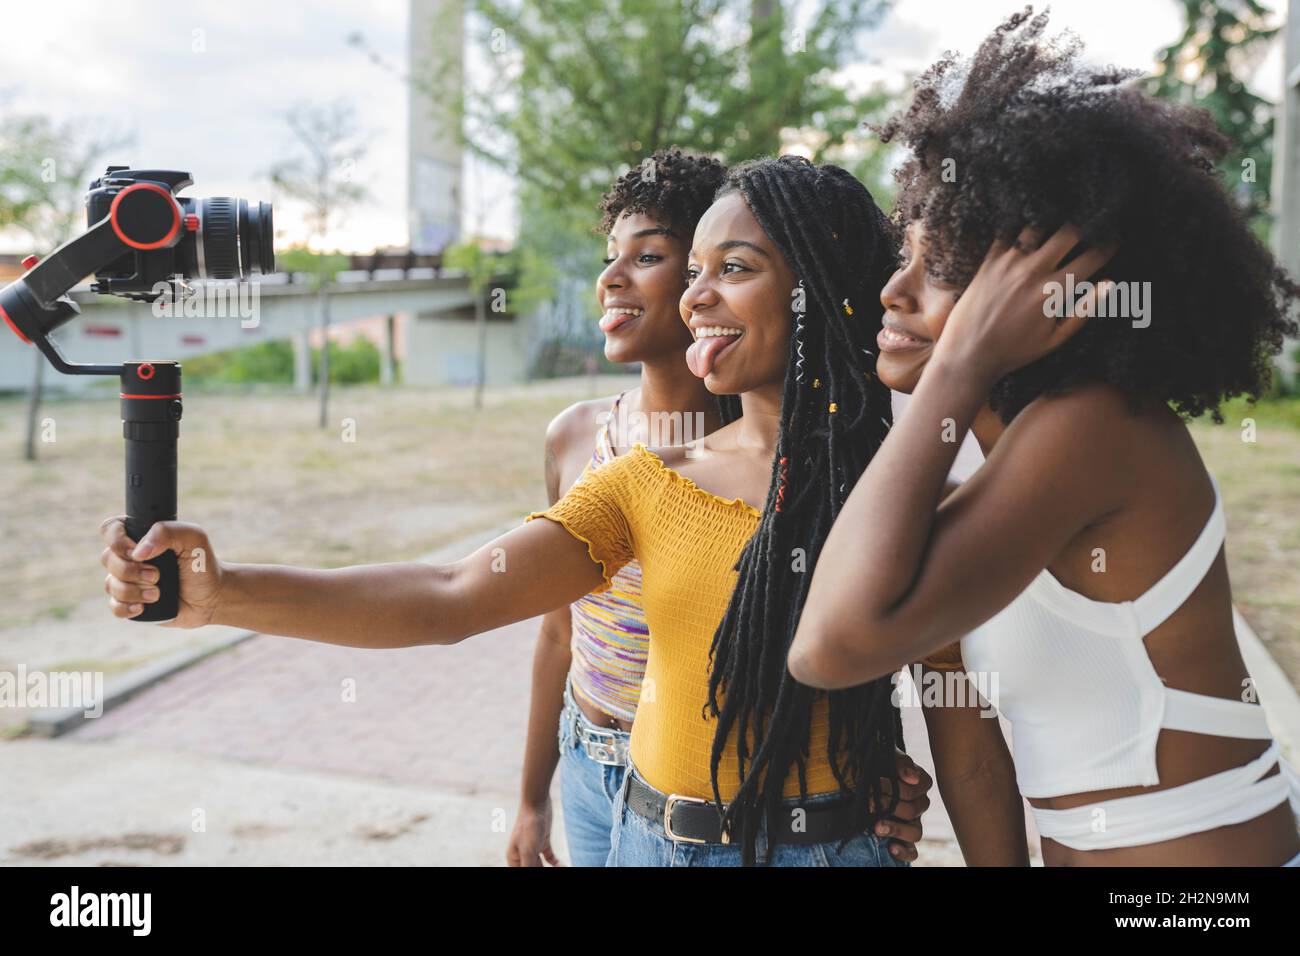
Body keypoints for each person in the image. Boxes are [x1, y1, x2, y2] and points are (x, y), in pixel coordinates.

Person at [99, 155, 944, 867]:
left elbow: (963, 721)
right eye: (693, 273)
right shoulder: (649, 482)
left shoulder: (901, 485)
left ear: (821, 287)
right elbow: (450, 593)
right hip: (650, 838)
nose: (694, 298)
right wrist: (221, 594)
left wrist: (883, 759)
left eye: (734, 269)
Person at [789, 8, 1300, 866]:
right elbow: (972, 754)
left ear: (1047, 291)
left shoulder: (1095, 431)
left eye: (944, 268)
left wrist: (958, 367)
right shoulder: (987, 473)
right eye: (901, 256)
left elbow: (829, 646)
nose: (895, 292)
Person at [509, 149, 735, 867]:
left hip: (680, 789)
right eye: (612, 257)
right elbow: (557, 632)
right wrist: (531, 797)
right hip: (582, 757)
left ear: (704, 274)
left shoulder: (750, 456)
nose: (611, 279)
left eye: (647, 257)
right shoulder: (575, 437)